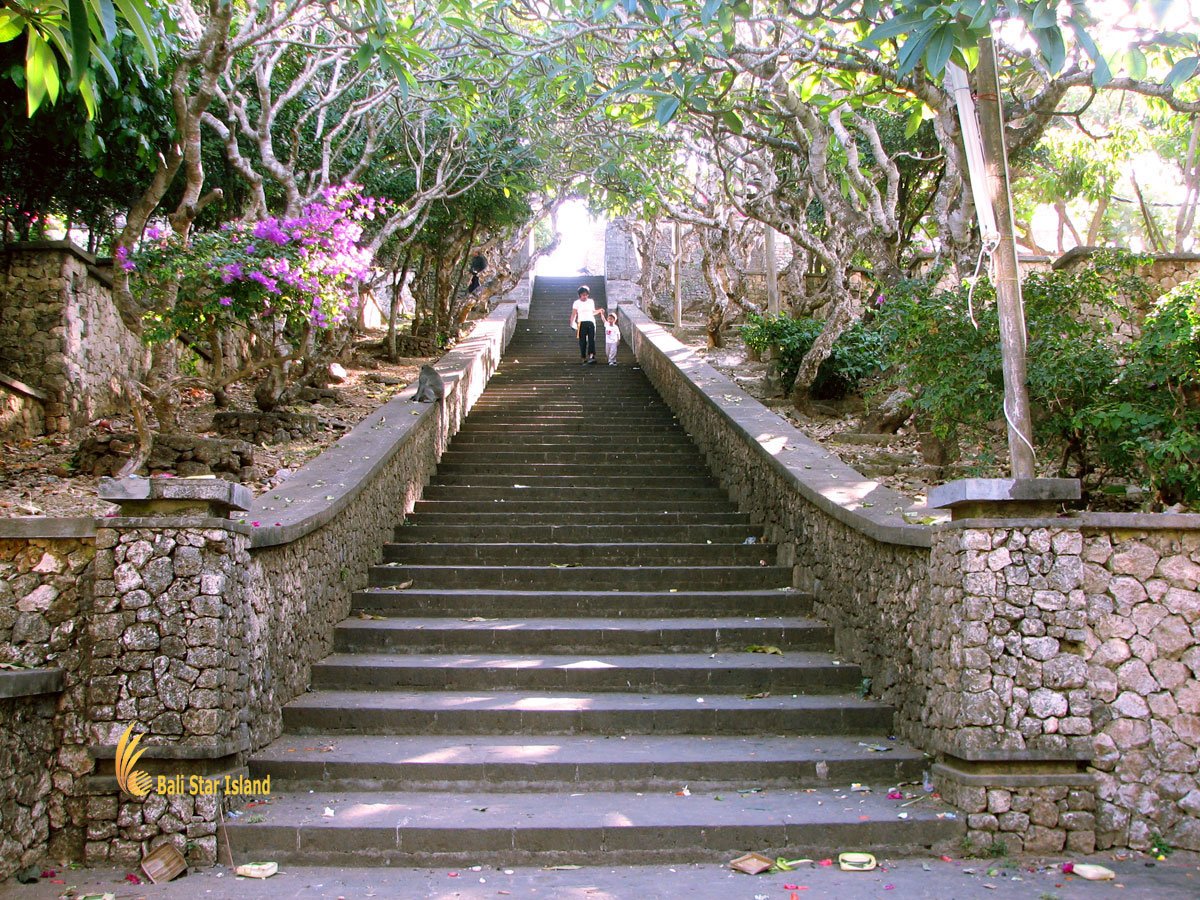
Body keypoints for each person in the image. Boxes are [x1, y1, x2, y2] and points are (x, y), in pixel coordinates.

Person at [568, 285, 604, 365]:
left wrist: (599, 311)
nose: (585, 296)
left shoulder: (591, 301)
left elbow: (592, 312)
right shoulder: (576, 303)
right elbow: (574, 314)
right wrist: (572, 323)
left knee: (592, 339)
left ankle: (591, 356)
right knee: (582, 341)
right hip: (581, 322)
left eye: (586, 294)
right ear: (580, 295)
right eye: (583, 294)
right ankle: (583, 357)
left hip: (590, 322)